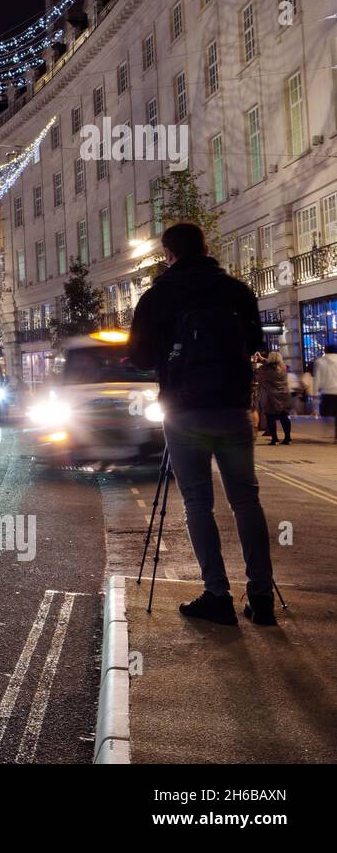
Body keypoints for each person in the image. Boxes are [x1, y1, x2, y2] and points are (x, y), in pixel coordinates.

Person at [129, 223, 276, 626]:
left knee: (198, 502)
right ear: (205, 247)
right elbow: (256, 345)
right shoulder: (237, 291)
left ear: (168, 253)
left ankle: (218, 595)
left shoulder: (160, 295)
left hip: (184, 410)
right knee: (246, 500)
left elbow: (139, 355)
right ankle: (261, 595)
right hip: (232, 408)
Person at [255, 351, 291, 446]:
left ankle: (274, 439)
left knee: (270, 417)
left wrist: (255, 361)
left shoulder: (265, 370)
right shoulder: (284, 368)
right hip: (284, 395)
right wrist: (262, 359)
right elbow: (273, 363)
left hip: (271, 397)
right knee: (284, 416)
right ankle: (287, 438)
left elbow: (256, 373)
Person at [315, 344, 337, 442]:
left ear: (326, 351)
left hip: (328, 392)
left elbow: (317, 378)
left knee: (327, 414)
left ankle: (334, 432)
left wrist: (315, 392)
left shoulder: (320, 362)